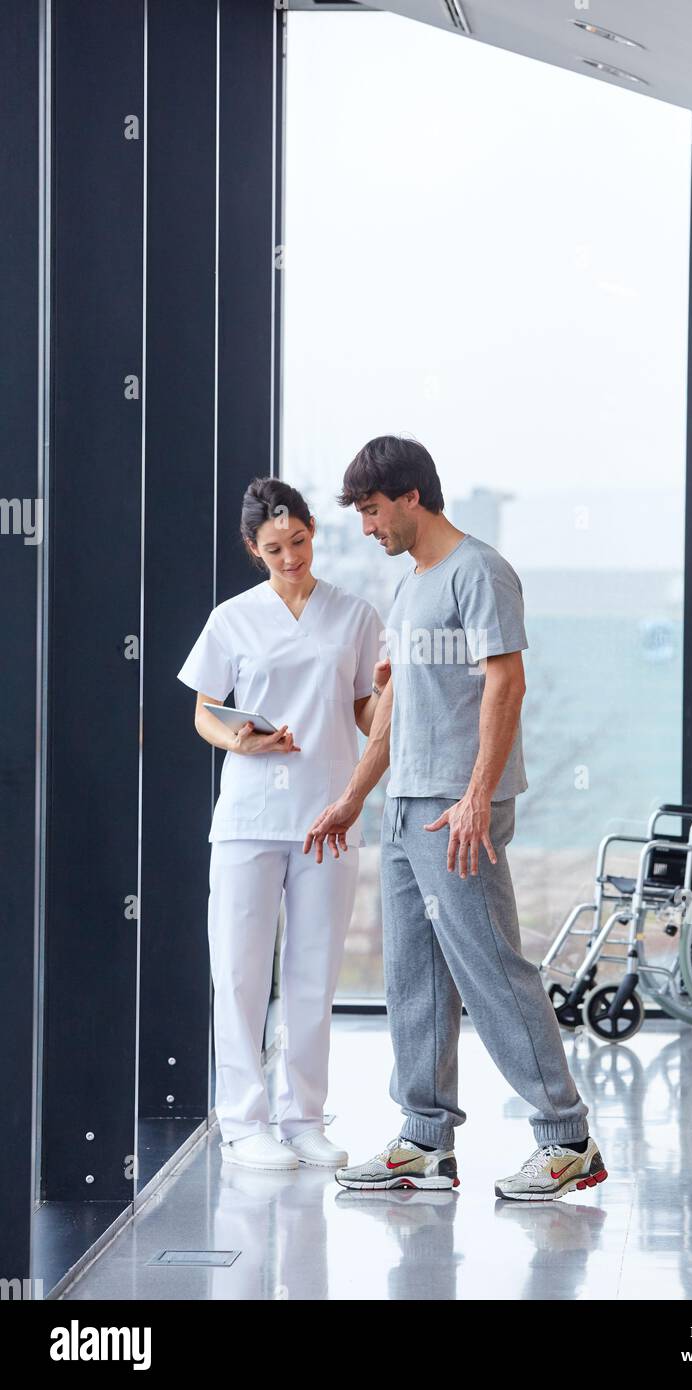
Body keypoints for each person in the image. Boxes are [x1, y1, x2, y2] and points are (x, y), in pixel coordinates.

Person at [304, 436, 607, 1202]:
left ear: (411, 497)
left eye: (373, 510)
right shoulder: (410, 588)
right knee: (413, 977)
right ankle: (424, 1142)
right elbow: (397, 708)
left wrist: (476, 795)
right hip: (407, 806)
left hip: (458, 808)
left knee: (492, 969)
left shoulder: (479, 571)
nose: (367, 527)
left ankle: (566, 1137)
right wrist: (352, 796)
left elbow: (507, 685)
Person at [177, 477, 386, 1173]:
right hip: (248, 816)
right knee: (238, 972)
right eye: (274, 548)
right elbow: (207, 709)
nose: (291, 557)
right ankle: (243, 1122)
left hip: (328, 812)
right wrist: (239, 739)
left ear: (311, 533)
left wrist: (390, 699)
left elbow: (364, 713)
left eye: (299, 541)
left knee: (312, 973)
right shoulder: (232, 618)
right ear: (252, 548)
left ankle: (303, 1119)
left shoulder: (354, 616)